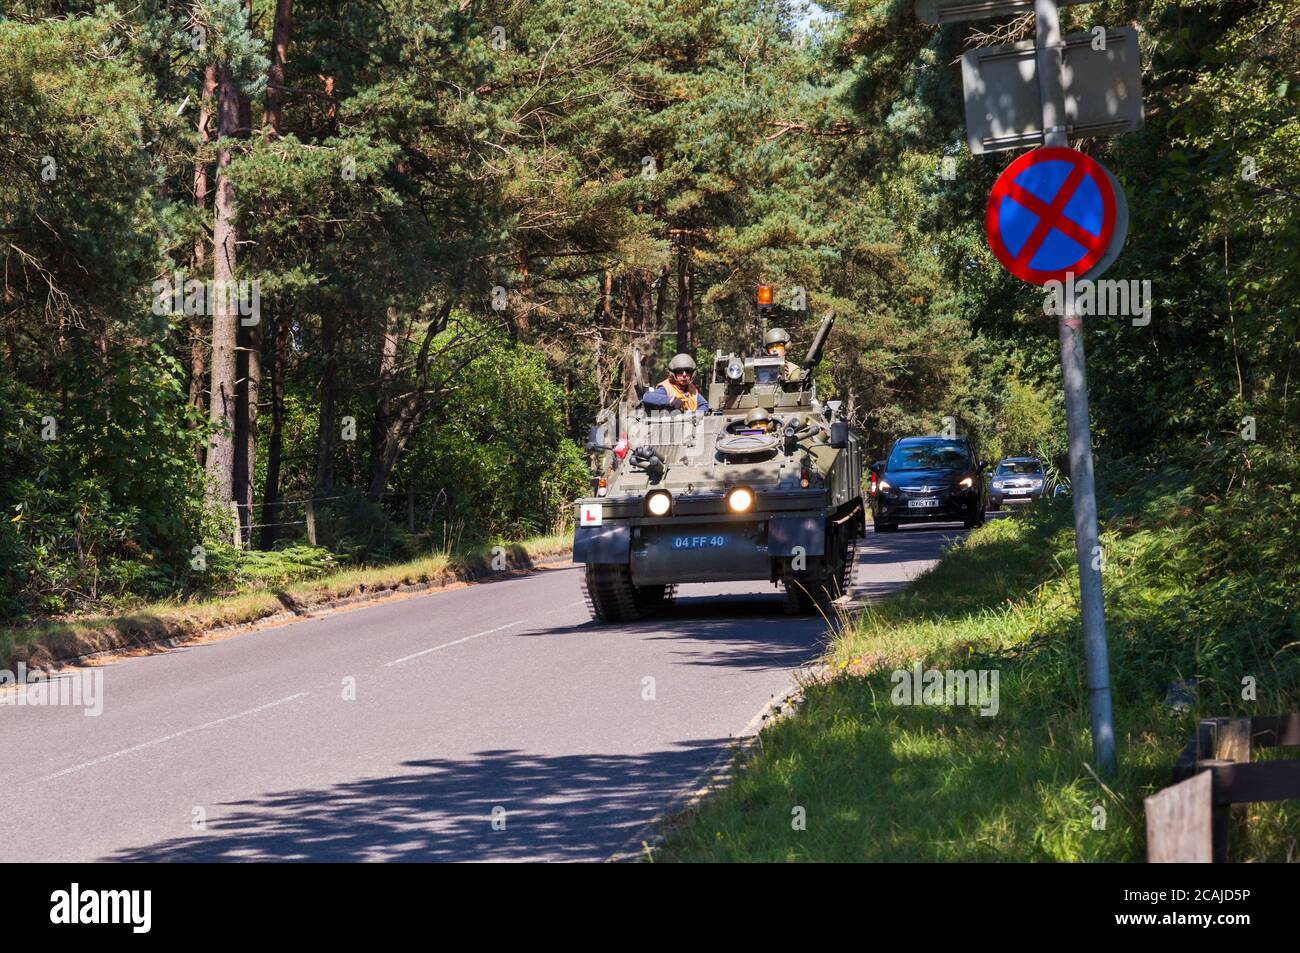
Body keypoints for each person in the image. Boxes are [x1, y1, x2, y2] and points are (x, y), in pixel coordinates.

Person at [643, 353, 709, 413]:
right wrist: (670, 400)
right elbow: (647, 397)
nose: (684, 374)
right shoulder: (666, 387)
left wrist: (698, 414)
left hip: (691, 424)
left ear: (692, 374)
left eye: (688, 371)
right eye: (680, 371)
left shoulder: (692, 389)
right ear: (673, 374)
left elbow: (704, 404)